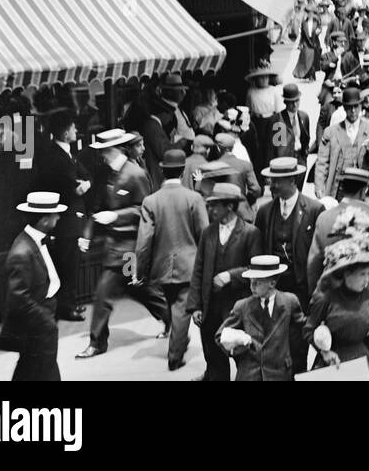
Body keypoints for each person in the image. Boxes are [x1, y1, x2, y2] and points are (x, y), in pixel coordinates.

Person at [77, 128, 168, 359]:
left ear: (117, 149)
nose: (103, 155)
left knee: (133, 290)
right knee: (123, 291)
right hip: (113, 247)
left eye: (106, 150)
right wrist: (86, 235)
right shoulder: (104, 173)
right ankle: (98, 342)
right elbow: (95, 209)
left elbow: (145, 210)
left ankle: (98, 343)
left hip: (130, 249)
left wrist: (116, 216)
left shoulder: (135, 174)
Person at [135, 149, 209, 371]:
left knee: (173, 306)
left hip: (161, 265)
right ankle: (175, 356)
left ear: (162, 170)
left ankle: (177, 342)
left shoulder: (150, 201)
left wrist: (140, 271)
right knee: (181, 309)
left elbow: (143, 241)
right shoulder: (194, 198)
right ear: (183, 170)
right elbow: (204, 234)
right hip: (189, 265)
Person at [253, 157, 325, 373]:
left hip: (301, 290)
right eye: (271, 181)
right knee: (271, 344)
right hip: (273, 289)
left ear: (292, 180)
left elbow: (318, 253)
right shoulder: (265, 212)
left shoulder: (313, 209)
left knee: (298, 345)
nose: (272, 186)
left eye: (277, 181)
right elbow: (258, 250)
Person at [186, 182, 259, 381]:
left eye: (214, 205)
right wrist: (195, 306)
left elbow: (256, 270)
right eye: (209, 205)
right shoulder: (208, 233)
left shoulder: (250, 233)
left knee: (243, 358)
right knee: (215, 360)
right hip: (210, 310)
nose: (209, 209)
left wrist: (230, 276)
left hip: (236, 310)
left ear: (229, 206)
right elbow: (198, 270)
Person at [305, 238, 369, 380]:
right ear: (346, 274)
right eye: (361, 275)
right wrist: (325, 352)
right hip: (334, 363)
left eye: (368, 274)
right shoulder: (327, 299)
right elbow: (308, 329)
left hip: (361, 360)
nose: (366, 280)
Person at [0, 192, 66, 381]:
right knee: (42, 372)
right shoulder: (22, 252)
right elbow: (18, 298)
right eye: (55, 214)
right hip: (36, 328)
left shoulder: (37, 241)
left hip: (42, 324)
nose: (58, 217)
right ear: (44, 220)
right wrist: (46, 320)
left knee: (33, 371)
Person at [32, 109, 91, 323]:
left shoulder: (67, 154)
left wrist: (85, 183)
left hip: (71, 219)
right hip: (66, 221)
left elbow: (85, 176)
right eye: (73, 127)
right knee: (67, 264)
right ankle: (66, 307)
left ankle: (69, 303)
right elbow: (74, 186)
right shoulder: (57, 157)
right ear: (66, 132)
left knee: (70, 263)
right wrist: (83, 184)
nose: (76, 130)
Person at [218, 255, 304, 382]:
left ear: (272, 283)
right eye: (250, 281)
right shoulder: (242, 306)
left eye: (257, 282)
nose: (252, 286)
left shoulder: (289, 302)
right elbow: (220, 336)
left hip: (279, 373)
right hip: (250, 374)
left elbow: (303, 331)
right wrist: (238, 346)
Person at [315, 85, 369, 202]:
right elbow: (322, 162)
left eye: (356, 106)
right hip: (339, 188)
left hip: (363, 188)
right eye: (349, 107)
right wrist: (319, 186)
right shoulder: (331, 132)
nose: (353, 111)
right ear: (344, 108)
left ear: (361, 106)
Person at [271, 84, 312, 167]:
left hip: (301, 159)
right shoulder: (278, 120)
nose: (295, 104)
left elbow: (306, 139)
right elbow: (272, 148)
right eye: (291, 102)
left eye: (297, 100)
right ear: (285, 102)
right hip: (285, 162)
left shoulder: (304, 117)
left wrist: (304, 156)